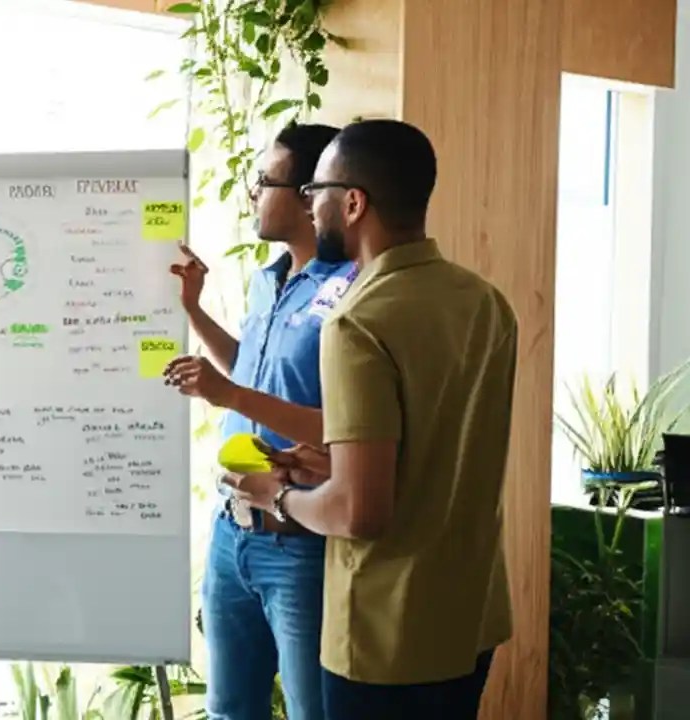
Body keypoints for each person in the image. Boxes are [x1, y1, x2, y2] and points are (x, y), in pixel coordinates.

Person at [225, 119, 518, 720]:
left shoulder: (357, 320)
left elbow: (359, 512)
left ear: (352, 202)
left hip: (385, 631)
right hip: (470, 615)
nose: (311, 206)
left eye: (317, 193)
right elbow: (437, 446)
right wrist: (330, 464)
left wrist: (276, 493)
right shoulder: (485, 301)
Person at [164, 123, 350, 720]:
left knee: (311, 711)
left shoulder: (350, 292)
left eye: (264, 181)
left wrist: (227, 396)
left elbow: (344, 424)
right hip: (231, 534)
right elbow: (248, 369)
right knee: (228, 711)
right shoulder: (266, 280)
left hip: (299, 543)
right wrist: (192, 310)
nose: (253, 193)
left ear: (307, 196)